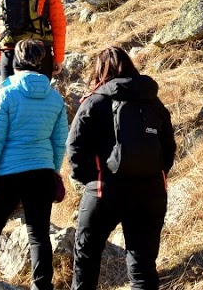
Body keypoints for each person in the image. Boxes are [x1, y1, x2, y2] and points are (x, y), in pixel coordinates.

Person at [66, 46, 176, 290]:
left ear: (99, 71)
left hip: (105, 190)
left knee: (86, 257)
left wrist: (89, 179)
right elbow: (168, 148)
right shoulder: (153, 102)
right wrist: (153, 175)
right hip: (151, 191)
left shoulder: (94, 102)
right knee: (143, 265)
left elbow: (74, 147)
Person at [0, 39, 69, 290]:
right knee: (39, 235)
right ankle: (42, 286)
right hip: (41, 173)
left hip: (7, 175)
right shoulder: (55, 98)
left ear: (16, 60)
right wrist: (53, 171)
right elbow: (60, 143)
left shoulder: (6, 93)